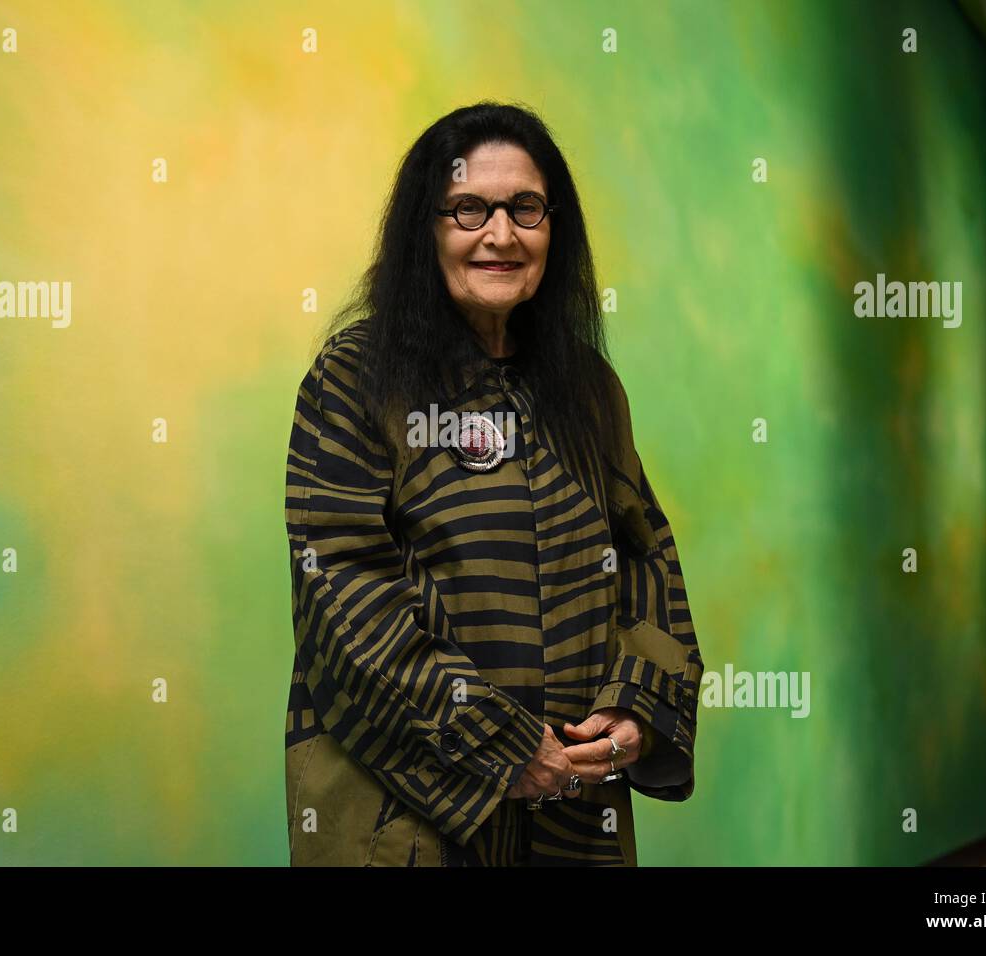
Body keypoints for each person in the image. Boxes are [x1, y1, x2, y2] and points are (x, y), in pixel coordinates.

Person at [283, 101, 703, 866]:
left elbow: (646, 558)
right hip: (410, 815)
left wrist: (639, 705)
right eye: (468, 208)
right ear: (427, 227)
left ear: (554, 229)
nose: (500, 234)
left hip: (575, 813)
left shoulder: (590, 389)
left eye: (526, 208)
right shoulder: (355, 379)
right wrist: (500, 744)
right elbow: (341, 588)